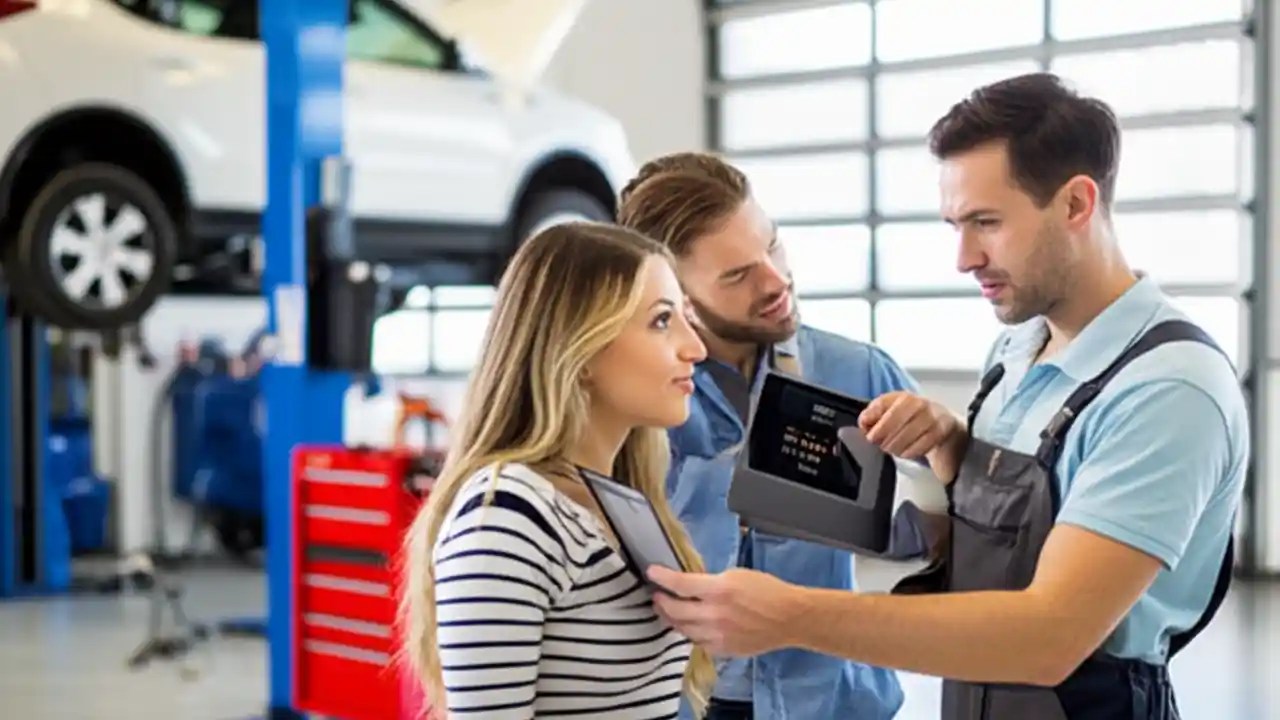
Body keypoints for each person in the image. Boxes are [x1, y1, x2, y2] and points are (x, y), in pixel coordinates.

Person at [646, 72, 1250, 720]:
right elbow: (977, 545)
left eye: (986, 223)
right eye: (955, 224)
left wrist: (792, 615)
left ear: (1076, 204)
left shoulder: (1167, 389)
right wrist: (951, 453)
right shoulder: (1017, 352)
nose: (963, 258)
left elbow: (1050, 638)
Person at [617, 152, 919, 720]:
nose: (776, 281)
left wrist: (925, 484)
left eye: (773, 246)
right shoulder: (634, 400)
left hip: (834, 703)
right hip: (682, 704)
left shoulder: (862, 375)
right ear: (676, 297)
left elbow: (948, 539)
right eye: (737, 275)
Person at [399, 222, 717, 719]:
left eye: (685, 317)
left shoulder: (611, 499)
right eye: (661, 321)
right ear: (581, 351)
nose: (695, 347)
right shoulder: (506, 516)